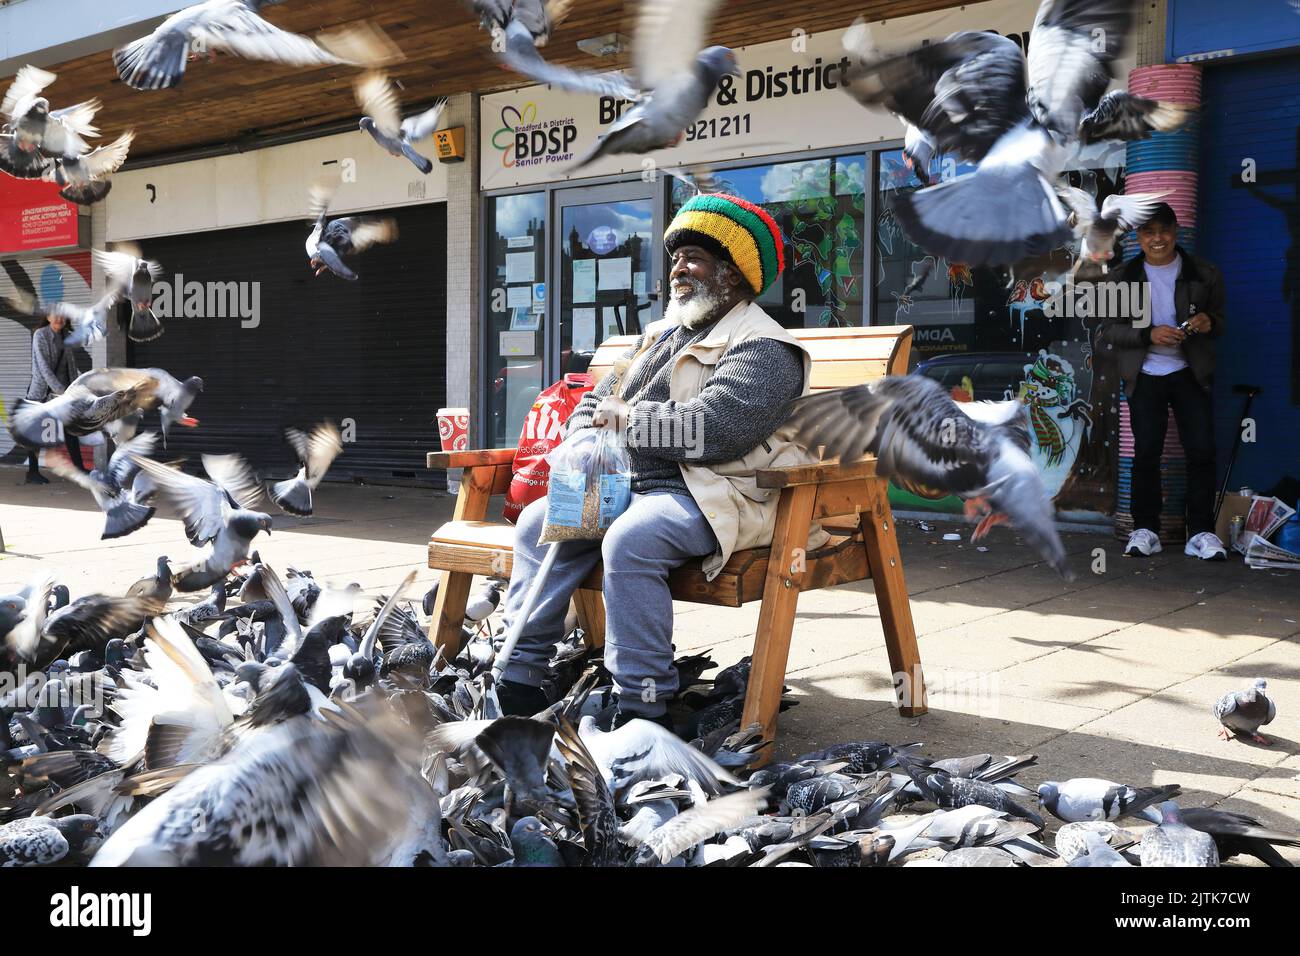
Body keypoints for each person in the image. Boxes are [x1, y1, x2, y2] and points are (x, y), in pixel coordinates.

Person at [494, 193, 827, 727]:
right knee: (540, 523)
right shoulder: (663, 335)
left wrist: (623, 420)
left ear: (735, 274)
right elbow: (593, 402)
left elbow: (714, 431)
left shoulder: (765, 348)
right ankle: (517, 677)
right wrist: (584, 434)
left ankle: (642, 704)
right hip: (631, 483)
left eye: (694, 257)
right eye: (675, 257)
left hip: (712, 490)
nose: (678, 268)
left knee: (632, 539)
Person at [1097, 203, 1227, 560]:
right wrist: (1149, 334)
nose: (1158, 239)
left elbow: (1220, 321)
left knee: (1201, 450)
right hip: (1146, 374)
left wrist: (1207, 323)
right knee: (1146, 453)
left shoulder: (1204, 273)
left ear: (1176, 232)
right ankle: (1145, 530)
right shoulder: (1122, 278)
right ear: (1138, 237)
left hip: (1190, 373)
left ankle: (1201, 532)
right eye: (1149, 232)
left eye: (1164, 231)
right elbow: (1108, 332)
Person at [24, 311, 87, 484]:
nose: (59, 318)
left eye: (62, 315)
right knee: (35, 432)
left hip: (63, 391)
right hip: (42, 391)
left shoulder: (67, 336)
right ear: (48, 317)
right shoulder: (40, 335)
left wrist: (74, 389)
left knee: (70, 430)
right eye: (54, 315)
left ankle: (79, 468)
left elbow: (71, 366)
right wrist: (59, 390)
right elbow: (43, 368)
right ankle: (33, 472)